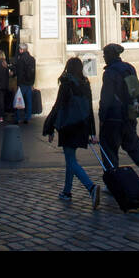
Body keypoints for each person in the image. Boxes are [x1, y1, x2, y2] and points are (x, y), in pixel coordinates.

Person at [98, 43, 139, 193]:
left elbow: (106, 98)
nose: (104, 58)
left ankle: (113, 182)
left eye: (105, 55)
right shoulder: (129, 68)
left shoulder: (110, 73)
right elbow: (137, 91)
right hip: (129, 115)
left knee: (109, 150)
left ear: (111, 55)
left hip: (113, 118)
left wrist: (102, 116)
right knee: (135, 146)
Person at [43, 56, 101, 208]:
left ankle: (91, 187)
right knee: (71, 158)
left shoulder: (66, 84)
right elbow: (89, 109)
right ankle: (67, 192)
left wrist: (50, 128)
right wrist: (92, 132)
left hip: (68, 126)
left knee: (71, 161)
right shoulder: (85, 83)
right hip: (82, 125)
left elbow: (58, 107)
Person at [12, 43, 37, 125]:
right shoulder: (32, 59)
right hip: (29, 83)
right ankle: (27, 117)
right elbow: (34, 72)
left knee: (18, 100)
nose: (19, 50)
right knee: (28, 101)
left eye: (20, 49)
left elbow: (19, 72)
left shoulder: (20, 59)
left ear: (22, 50)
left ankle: (18, 118)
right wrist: (32, 83)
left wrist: (17, 82)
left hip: (22, 83)